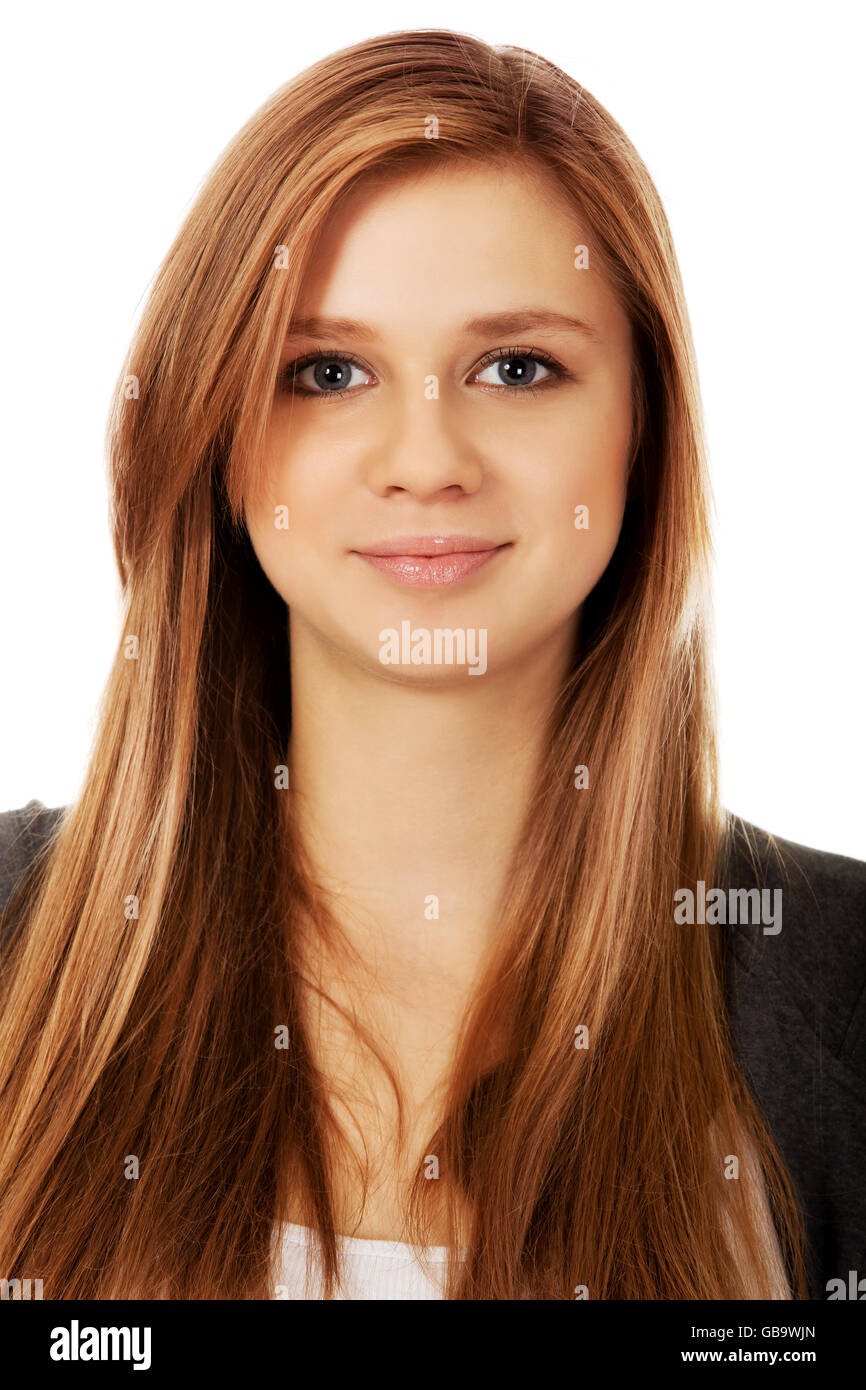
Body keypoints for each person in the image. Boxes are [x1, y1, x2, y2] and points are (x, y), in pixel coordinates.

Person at [1, 29, 864, 1301]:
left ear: (643, 425)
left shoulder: (834, 983)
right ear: (219, 434)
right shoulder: (15, 937)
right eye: (326, 371)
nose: (425, 457)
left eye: (516, 367)